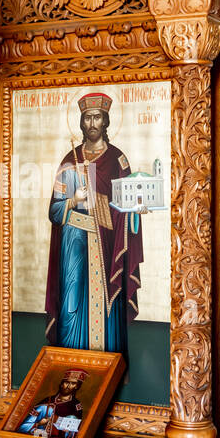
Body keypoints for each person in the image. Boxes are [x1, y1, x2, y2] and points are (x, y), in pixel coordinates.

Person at [45, 93, 143, 353]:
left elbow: (126, 204)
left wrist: (135, 210)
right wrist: (72, 200)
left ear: (105, 121)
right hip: (74, 245)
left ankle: (107, 364)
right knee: (72, 303)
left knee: (107, 306)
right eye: (87, 117)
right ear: (81, 122)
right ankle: (71, 361)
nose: (92, 122)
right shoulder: (69, 161)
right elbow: (54, 211)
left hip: (107, 246)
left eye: (97, 117)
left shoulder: (118, 160)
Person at [18, 370, 87, 438]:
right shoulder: (46, 401)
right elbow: (24, 427)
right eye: (66, 382)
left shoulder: (76, 406)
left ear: (77, 387)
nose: (68, 386)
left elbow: (75, 432)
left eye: (73, 384)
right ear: (61, 384)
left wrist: (68, 431)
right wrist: (38, 424)